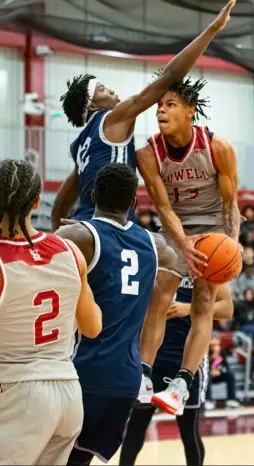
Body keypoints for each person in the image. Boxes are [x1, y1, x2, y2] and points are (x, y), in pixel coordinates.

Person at [52, 0, 236, 277]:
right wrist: (213, 28)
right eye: (101, 89)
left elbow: (66, 193)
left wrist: (60, 227)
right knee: (168, 264)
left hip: (84, 226)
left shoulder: (81, 144)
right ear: (92, 105)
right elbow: (172, 74)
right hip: (109, 227)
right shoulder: (112, 118)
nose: (111, 90)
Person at [0, 159, 102, 465]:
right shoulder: (71, 253)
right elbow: (92, 327)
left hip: (19, 395)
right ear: (37, 201)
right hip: (68, 393)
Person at [55, 163, 176, 466]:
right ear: (134, 203)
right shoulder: (158, 245)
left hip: (81, 371)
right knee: (79, 461)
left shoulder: (79, 235)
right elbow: (174, 266)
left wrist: (69, 231)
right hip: (126, 378)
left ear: (93, 195)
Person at [135, 74, 242, 415]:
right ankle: (144, 376)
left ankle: (181, 385)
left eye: (170, 105)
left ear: (190, 112)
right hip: (175, 226)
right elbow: (163, 208)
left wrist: (232, 244)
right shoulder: (148, 153)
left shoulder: (218, 148)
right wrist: (182, 243)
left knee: (205, 300)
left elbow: (230, 205)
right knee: (161, 287)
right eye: (159, 106)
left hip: (211, 226)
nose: (160, 111)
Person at [119, 280, 233, 466]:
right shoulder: (163, 258)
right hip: (154, 356)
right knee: (136, 426)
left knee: (188, 430)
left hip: (189, 359)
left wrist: (189, 308)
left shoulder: (207, 264)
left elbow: (227, 308)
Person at [205, 335, 240, 410]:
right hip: (207, 377)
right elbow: (204, 367)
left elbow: (226, 367)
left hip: (217, 375)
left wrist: (220, 371)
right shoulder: (206, 353)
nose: (216, 346)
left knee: (230, 375)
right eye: (214, 344)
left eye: (218, 344)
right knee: (208, 375)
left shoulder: (222, 353)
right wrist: (212, 357)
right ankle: (208, 400)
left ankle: (231, 399)